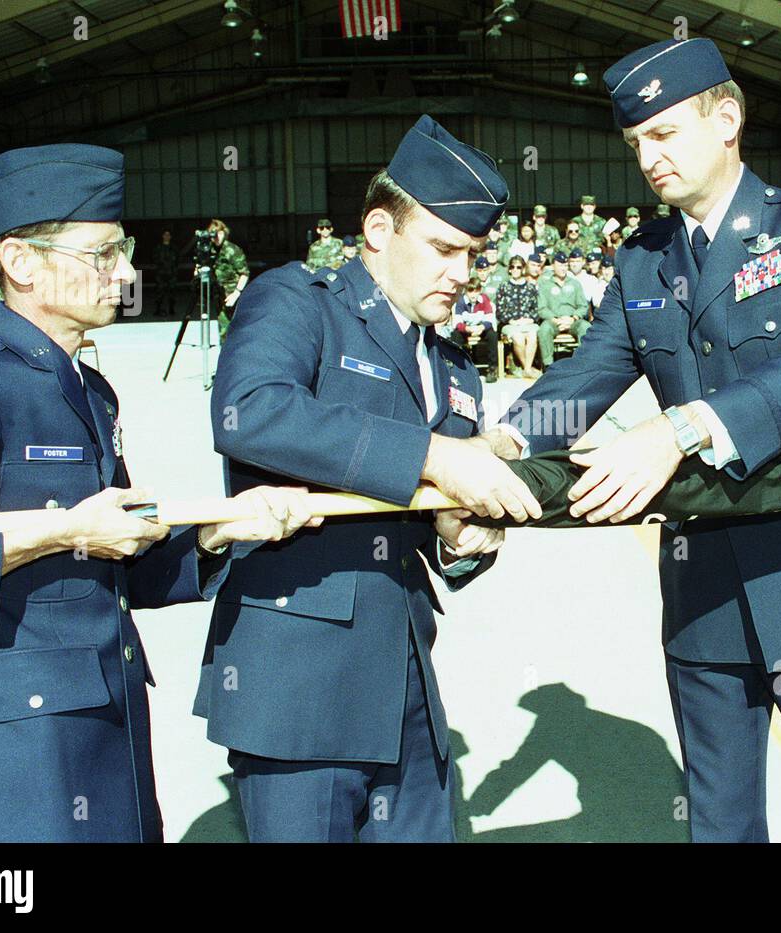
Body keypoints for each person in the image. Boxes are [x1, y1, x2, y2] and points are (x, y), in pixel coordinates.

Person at [483, 38, 781, 843]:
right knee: (719, 825)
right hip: (706, 592)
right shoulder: (643, 261)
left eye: (663, 134)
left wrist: (683, 426)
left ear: (726, 119)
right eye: (635, 145)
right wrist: (502, 447)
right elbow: (583, 380)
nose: (647, 159)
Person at [0, 144, 317, 842]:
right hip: (32, 752)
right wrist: (60, 532)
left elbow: (116, 556)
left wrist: (217, 530)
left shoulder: (90, 390)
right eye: (104, 254)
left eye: (126, 251)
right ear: (22, 263)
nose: (128, 272)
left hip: (112, 722)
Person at [195, 115, 536, 843]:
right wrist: (435, 457)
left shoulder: (451, 366)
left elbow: (434, 527)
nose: (462, 273)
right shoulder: (299, 301)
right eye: (443, 248)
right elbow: (248, 411)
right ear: (379, 229)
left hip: (407, 686)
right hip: (298, 688)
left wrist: (463, 537)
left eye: (473, 254)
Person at [537, 250, 589, 368]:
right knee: (544, 329)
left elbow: (583, 306)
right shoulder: (545, 285)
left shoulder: (575, 284)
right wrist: (555, 319)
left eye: (565, 265)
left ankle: (583, 362)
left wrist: (573, 318)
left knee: (585, 327)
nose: (563, 268)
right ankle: (548, 365)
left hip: (572, 320)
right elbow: (542, 308)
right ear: (553, 266)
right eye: (560, 265)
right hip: (554, 321)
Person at [495, 254, 540, 378]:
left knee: (532, 336)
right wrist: (511, 320)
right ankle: (528, 369)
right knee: (518, 338)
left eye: (519, 267)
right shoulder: (504, 287)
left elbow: (536, 308)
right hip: (510, 324)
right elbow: (499, 311)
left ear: (523, 269)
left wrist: (530, 319)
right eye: (513, 267)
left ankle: (526, 369)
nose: (515, 270)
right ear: (509, 269)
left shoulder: (531, 288)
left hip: (528, 322)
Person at [453, 275, 499, 382]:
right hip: (467, 328)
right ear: (466, 291)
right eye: (470, 291)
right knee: (455, 336)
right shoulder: (461, 302)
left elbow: (490, 319)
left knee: (492, 335)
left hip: (480, 327)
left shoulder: (484, 299)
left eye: (476, 291)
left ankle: (492, 369)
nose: (473, 294)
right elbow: (457, 323)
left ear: (480, 291)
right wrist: (467, 328)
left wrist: (481, 327)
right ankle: (458, 369)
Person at [153, 229, 177, 317]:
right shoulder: (158, 247)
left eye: (168, 235)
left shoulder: (174, 248)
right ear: (163, 236)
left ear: (170, 237)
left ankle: (171, 309)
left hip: (171, 273)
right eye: (165, 235)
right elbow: (155, 258)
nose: (167, 237)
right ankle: (158, 309)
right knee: (159, 292)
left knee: (172, 292)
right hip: (161, 273)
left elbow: (177, 259)